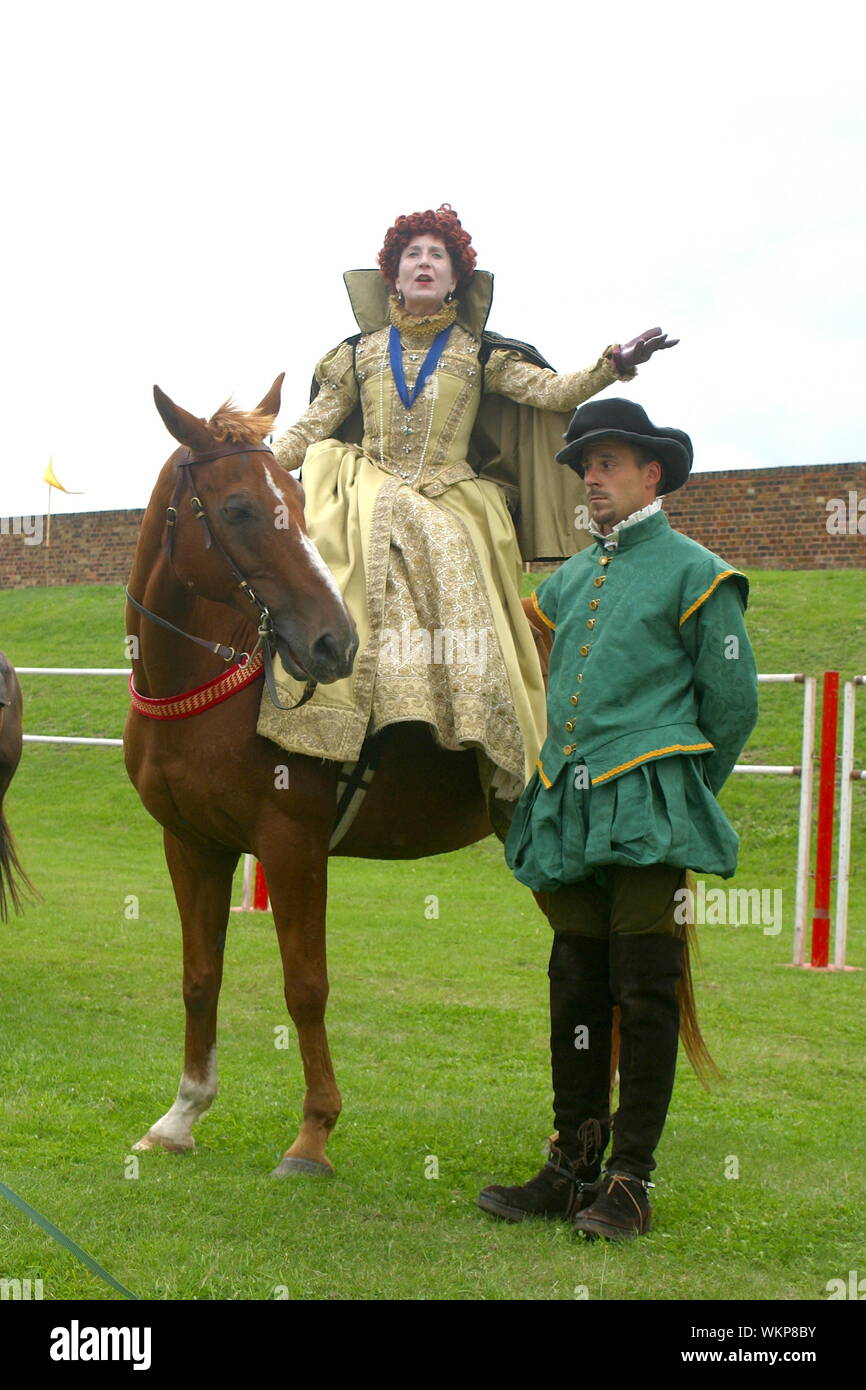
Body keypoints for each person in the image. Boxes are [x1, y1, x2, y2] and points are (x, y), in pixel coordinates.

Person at [260, 205, 677, 827]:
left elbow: (551, 392)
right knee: (324, 542)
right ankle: (324, 699)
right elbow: (311, 427)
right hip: (367, 489)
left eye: (438, 256)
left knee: (448, 546)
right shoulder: (357, 355)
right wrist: (245, 462)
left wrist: (612, 364)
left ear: (455, 278)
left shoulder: (481, 353)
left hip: (450, 497)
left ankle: (475, 719)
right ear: (392, 278)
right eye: (412, 255)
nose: (424, 264)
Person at [478, 397, 759, 1239]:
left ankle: (631, 1182)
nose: (591, 477)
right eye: (584, 465)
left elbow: (734, 705)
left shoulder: (695, 570)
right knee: (575, 980)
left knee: (644, 986)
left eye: (607, 463)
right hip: (570, 802)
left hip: (649, 805)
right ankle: (572, 1165)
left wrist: (678, 789)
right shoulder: (567, 582)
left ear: (652, 474)